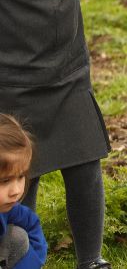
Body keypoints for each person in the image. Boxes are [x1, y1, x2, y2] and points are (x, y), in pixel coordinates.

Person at [0, 0, 110, 269]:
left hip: (68, 77)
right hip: (12, 85)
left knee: (86, 169)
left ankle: (91, 260)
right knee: (17, 180)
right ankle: (13, 257)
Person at [0, 114, 47, 269]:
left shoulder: (11, 210)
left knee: (17, 236)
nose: (16, 191)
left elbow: (32, 226)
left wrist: (31, 263)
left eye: (21, 176)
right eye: (5, 181)